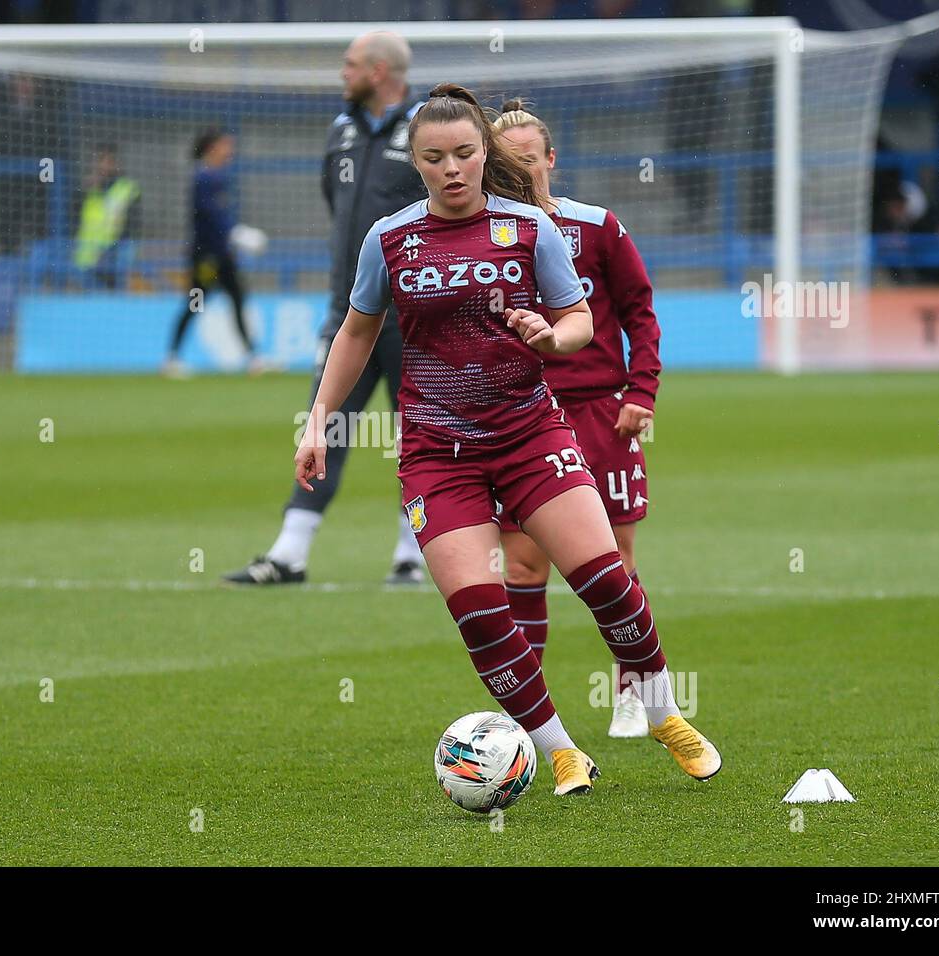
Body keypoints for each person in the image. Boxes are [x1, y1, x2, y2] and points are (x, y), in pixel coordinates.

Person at [294, 83, 721, 795]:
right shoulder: (389, 239)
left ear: (484, 153)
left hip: (529, 433)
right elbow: (357, 331)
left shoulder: (528, 228)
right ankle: (560, 752)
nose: (452, 168)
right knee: (479, 611)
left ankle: (662, 713)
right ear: (417, 162)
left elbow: (580, 318)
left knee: (608, 582)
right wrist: (317, 421)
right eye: (434, 158)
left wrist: (554, 337)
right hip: (436, 452)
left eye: (465, 153)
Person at [224, 30, 429, 586]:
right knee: (324, 426)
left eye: (351, 64)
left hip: (415, 315)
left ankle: (412, 554)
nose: (343, 73)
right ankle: (289, 553)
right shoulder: (340, 131)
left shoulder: (426, 132)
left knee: (420, 436)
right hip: (350, 314)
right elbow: (336, 209)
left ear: (381, 71)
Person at [492, 99, 662, 738]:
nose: (518, 173)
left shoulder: (596, 227)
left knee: (614, 560)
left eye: (528, 161)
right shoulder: (481, 238)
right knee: (523, 568)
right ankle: (524, 716)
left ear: (550, 161)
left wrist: (640, 390)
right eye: (505, 164)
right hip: (522, 418)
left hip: (599, 415)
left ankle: (632, 690)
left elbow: (640, 311)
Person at [164, 129, 267, 377]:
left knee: (238, 299)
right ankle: (172, 358)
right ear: (212, 147)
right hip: (206, 258)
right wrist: (236, 233)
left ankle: (253, 358)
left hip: (221, 255)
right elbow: (212, 215)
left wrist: (231, 237)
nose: (230, 151)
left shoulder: (216, 177)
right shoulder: (203, 178)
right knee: (196, 303)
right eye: (225, 145)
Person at [72, 143, 140, 289]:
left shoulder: (127, 187)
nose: (103, 165)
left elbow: (133, 223)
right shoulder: (87, 188)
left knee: (115, 292)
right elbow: (74, 216)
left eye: (108, 161)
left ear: (116, 163)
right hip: (88, 253)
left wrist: (110, 250)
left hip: (115, 251)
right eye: (100, 161)